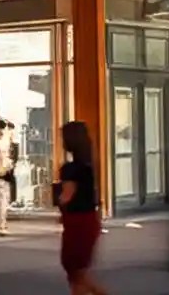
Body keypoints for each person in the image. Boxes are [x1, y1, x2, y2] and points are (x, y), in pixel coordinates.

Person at [57, 121, 107, 295]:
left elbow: (67, 195)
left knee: (75, 270)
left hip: (76, 222)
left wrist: (58, 200)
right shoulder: (88, 166)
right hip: (89, 219)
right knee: (78, 273)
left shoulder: (70, 169)